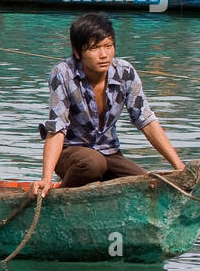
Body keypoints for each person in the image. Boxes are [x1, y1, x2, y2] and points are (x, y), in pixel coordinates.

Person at [33, 12, 184, 197]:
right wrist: (46, 178)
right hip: (71, 153)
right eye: (94, 48)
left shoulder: (125, 72)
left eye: (108, 46)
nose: (103, 55)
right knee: (93, 163)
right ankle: (60, 197)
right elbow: (57, 128)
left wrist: (179, 167)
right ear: (78, 51)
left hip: (110, 153)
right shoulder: (63, 73)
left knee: (147, 186)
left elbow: (146, 120)